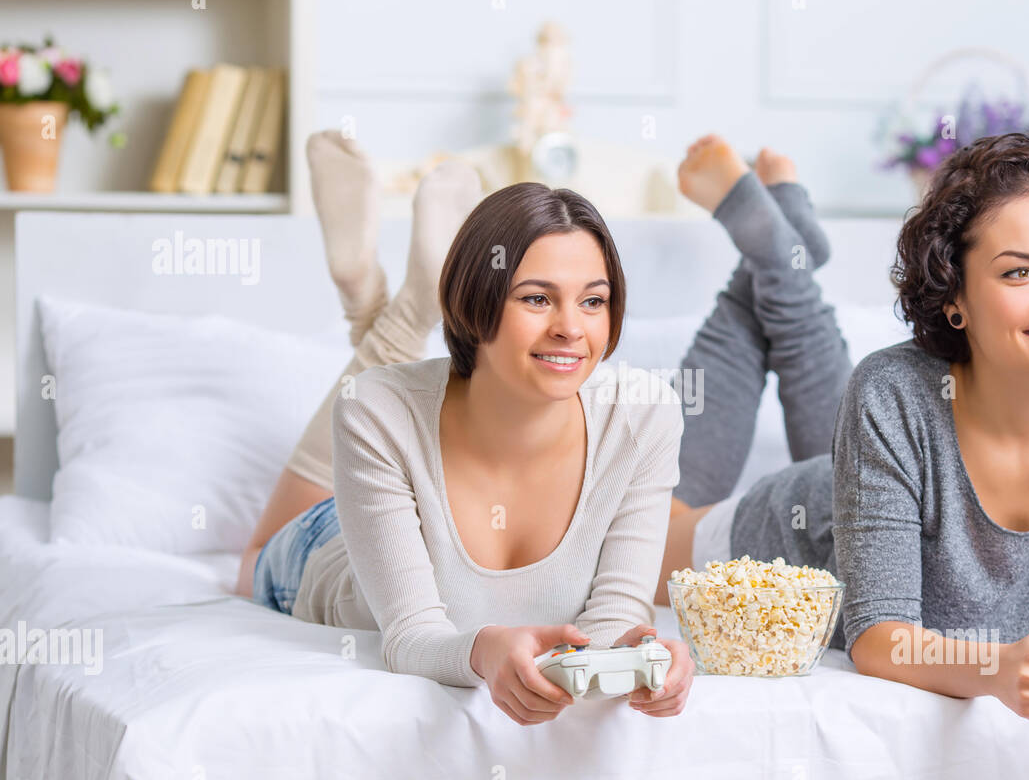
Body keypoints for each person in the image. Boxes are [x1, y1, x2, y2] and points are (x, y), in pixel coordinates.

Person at [657, 131, 1029, 718]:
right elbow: (879, 638)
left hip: (887, 472)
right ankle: (773, 252)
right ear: (956, 297)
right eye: (1019, 273)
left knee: (869, 405)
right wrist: (993, 669)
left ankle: (777, 251)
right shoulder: (892, 393)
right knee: (648, 525)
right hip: (803, 530)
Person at [234, 130, 693, 725]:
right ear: (477, 301)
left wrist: (641, 658)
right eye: (536, 299)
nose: (570, 329)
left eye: (593, 301)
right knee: (247, 559)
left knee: (388, 395)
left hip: (407, 472)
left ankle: (383, 304)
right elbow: (411, 635)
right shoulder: (377, 412)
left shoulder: (644, 415)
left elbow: (616, 618)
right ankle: (390, 312)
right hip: (327, 552)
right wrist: (482, 650)